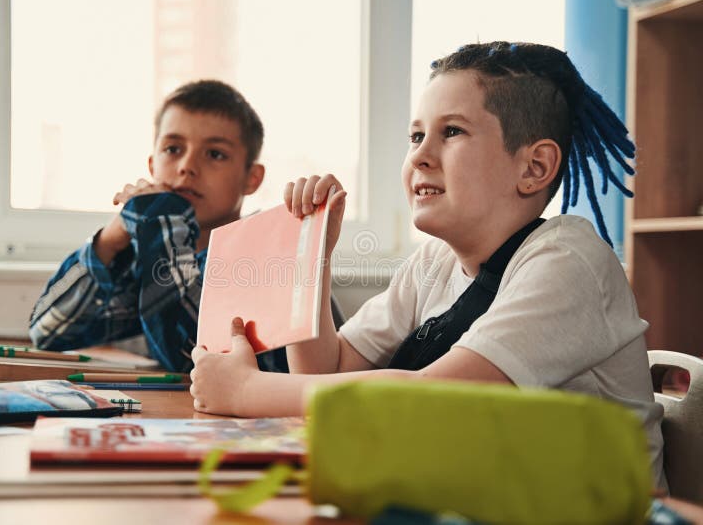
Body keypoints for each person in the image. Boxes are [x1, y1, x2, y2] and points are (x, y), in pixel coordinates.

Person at [188, 42, 667, 489]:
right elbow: (325, 371)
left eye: (452, 132)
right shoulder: (435, 261)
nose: (419, 155)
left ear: (534, 167)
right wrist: (314, 253)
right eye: (416, 135)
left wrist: (248, 390)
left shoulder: (567, 262)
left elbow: (430, 400)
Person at [29, 80, 287, 373]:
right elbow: (48, 332)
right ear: (152, 166)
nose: (186, 167)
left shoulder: (270, 257)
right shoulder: (150, 252)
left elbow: (193, 360)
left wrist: (161, 218)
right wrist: (112, 239)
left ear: (251, 178)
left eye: (215, 154)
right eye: (173, 149)